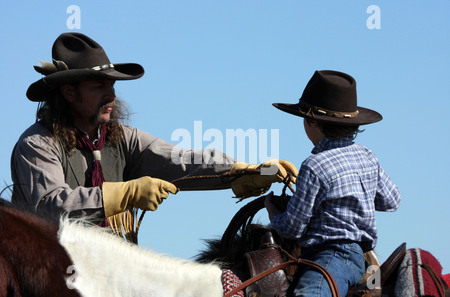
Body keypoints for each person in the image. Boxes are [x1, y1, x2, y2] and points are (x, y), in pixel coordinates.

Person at [11, 32, 297, 234]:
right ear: (69, 92)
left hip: (113, 266)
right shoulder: (36, 144)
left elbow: (179, 161)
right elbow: (48, 206)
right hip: (52, 273)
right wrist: (124, 194)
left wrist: (242, 171)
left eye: (111, 85)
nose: (111, 94)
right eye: (98, 86)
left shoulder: (123, 137)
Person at [264, 70, 401, 297]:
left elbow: (292, 228)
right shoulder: (367, 156)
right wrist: (356, 196)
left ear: (311, 122)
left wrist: (273, 212)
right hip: (359, 254)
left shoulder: (314, 166)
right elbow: (392, 201)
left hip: (331, 256)